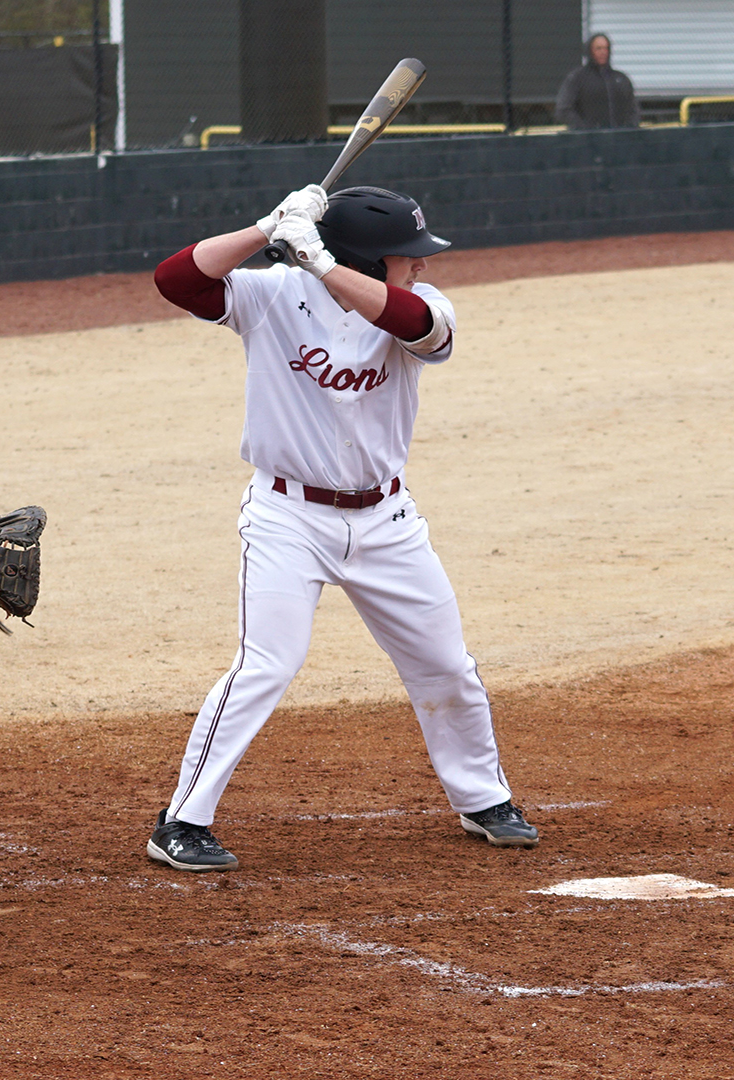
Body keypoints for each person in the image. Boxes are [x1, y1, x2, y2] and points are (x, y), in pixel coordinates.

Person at [144, 184, 538, 873]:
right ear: (369, 256)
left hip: (388, 522)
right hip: (287, 518)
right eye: (407, 253)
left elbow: (415, 322)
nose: (422, 263)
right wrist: (266, 227)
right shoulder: (272, 295)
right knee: (267, 664)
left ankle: (484, 799)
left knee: (446, 666)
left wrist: (322, 262)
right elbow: (176, 280)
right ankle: (182, 820)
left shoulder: (422, 302)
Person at [555, 33, 639, 130]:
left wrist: (629, 128)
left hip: (619, 136)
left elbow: (633, 110)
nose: (603, 52)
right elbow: (563, 110)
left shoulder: (621, 79)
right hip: (588, 137)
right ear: (590, 51)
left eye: (606, 48)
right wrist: (584, 129)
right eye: (598, 48)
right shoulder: (577, 78)